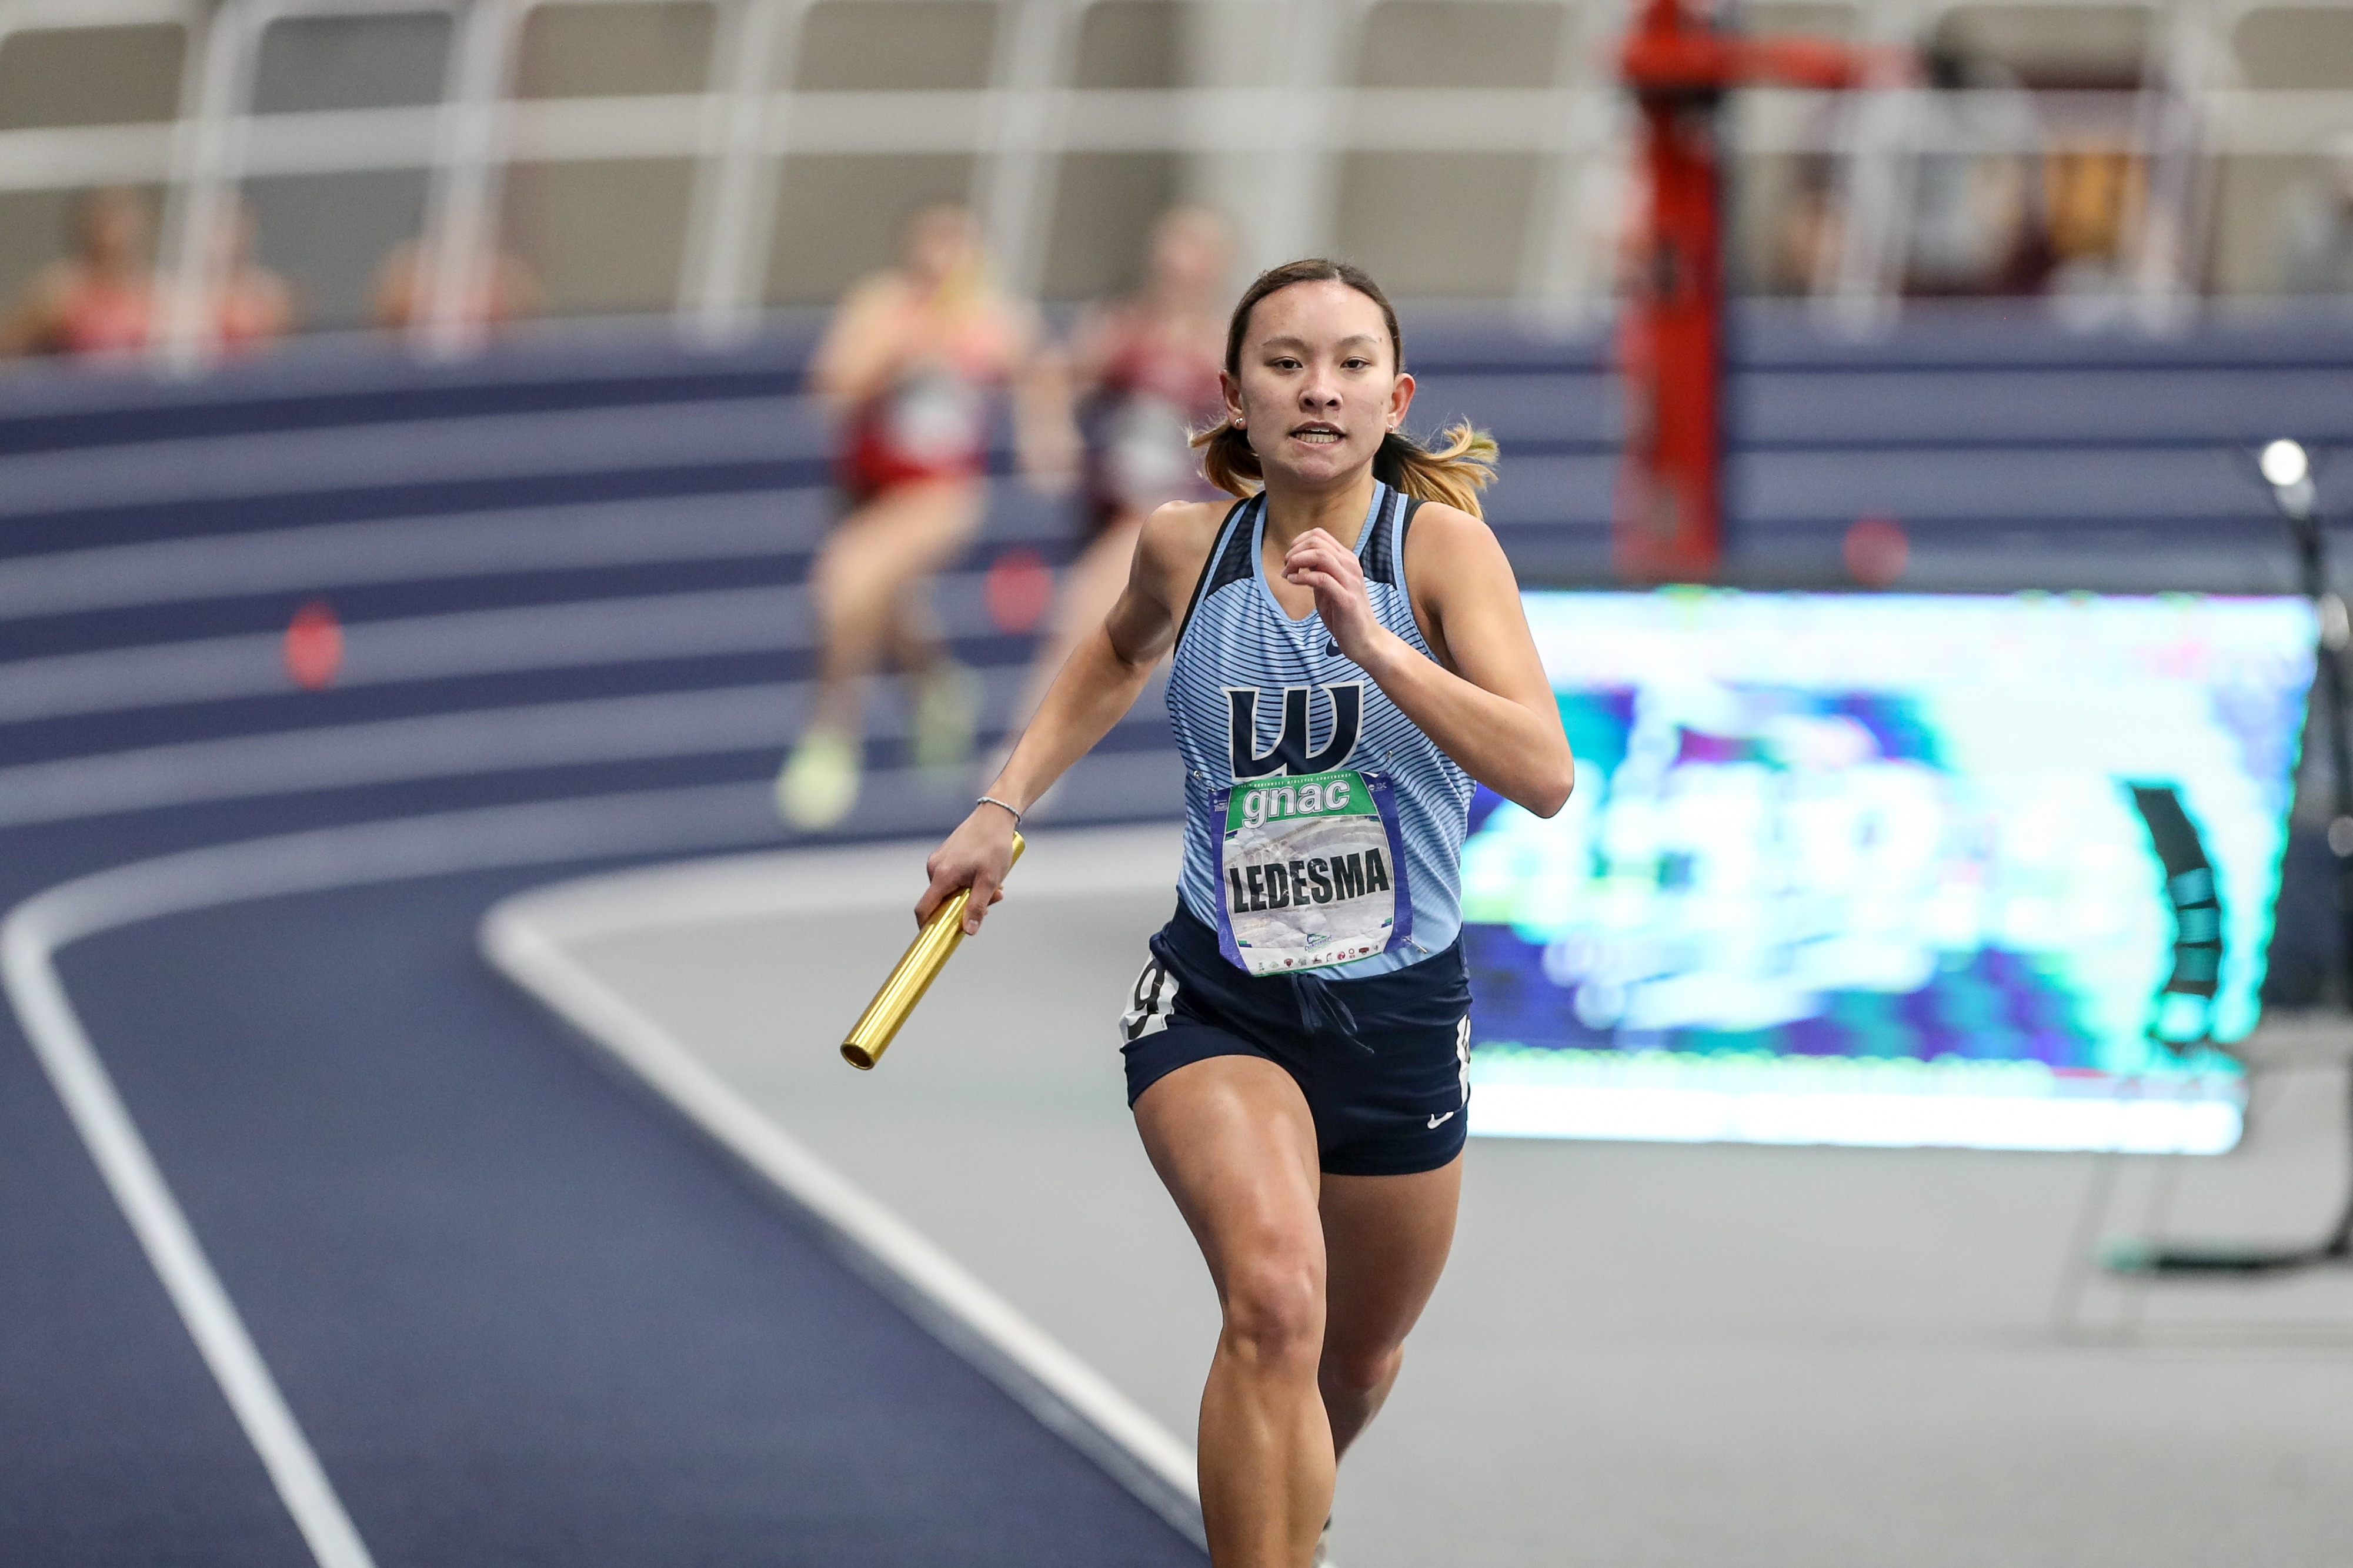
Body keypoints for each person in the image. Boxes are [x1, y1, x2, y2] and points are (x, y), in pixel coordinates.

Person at [917, 259, 1575, 1566]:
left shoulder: (1436, 550)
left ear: (1391, 399)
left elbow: (1542, 772)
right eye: (1282, 362)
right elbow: (1113, 649)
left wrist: (1377, 645)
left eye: (1344, 365)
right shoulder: (1185, 545)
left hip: (1395, 1014)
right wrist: (1003, 803)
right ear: (1232, 393)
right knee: (1274, 1301)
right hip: (1220, 1000)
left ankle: (1287, 1512)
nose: (1314, 388)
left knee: (1356, 1358)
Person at [777, 202, 1065, 829]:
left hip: (942, 495)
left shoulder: (992, 318)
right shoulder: (881, 307)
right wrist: (895, 357)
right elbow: (827, 390)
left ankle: (830, 736)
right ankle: (934, 685)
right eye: (931, 248)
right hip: (864, 490)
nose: (942, 264)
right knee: (881, 604)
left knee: (841, 583)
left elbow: (1040, 370)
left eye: (956, 248)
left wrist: (1045, 438)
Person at [1012, 206, 1232, 728]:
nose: (1180, 275)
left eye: (1194, 264)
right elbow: (1053, 376)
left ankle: (1015, 765)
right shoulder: (1123, 328)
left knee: (1080, 619)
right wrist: (1049, 436)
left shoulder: (1221, 345)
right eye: (1172, 262)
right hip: (1108, 509)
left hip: (1172, 512)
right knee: (1154, 648)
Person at [0, 186, 156, 357]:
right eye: (103, 218)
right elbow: (8, 345)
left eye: (123, 217)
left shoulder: (162, 298)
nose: (114, 232)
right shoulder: (60, 293)